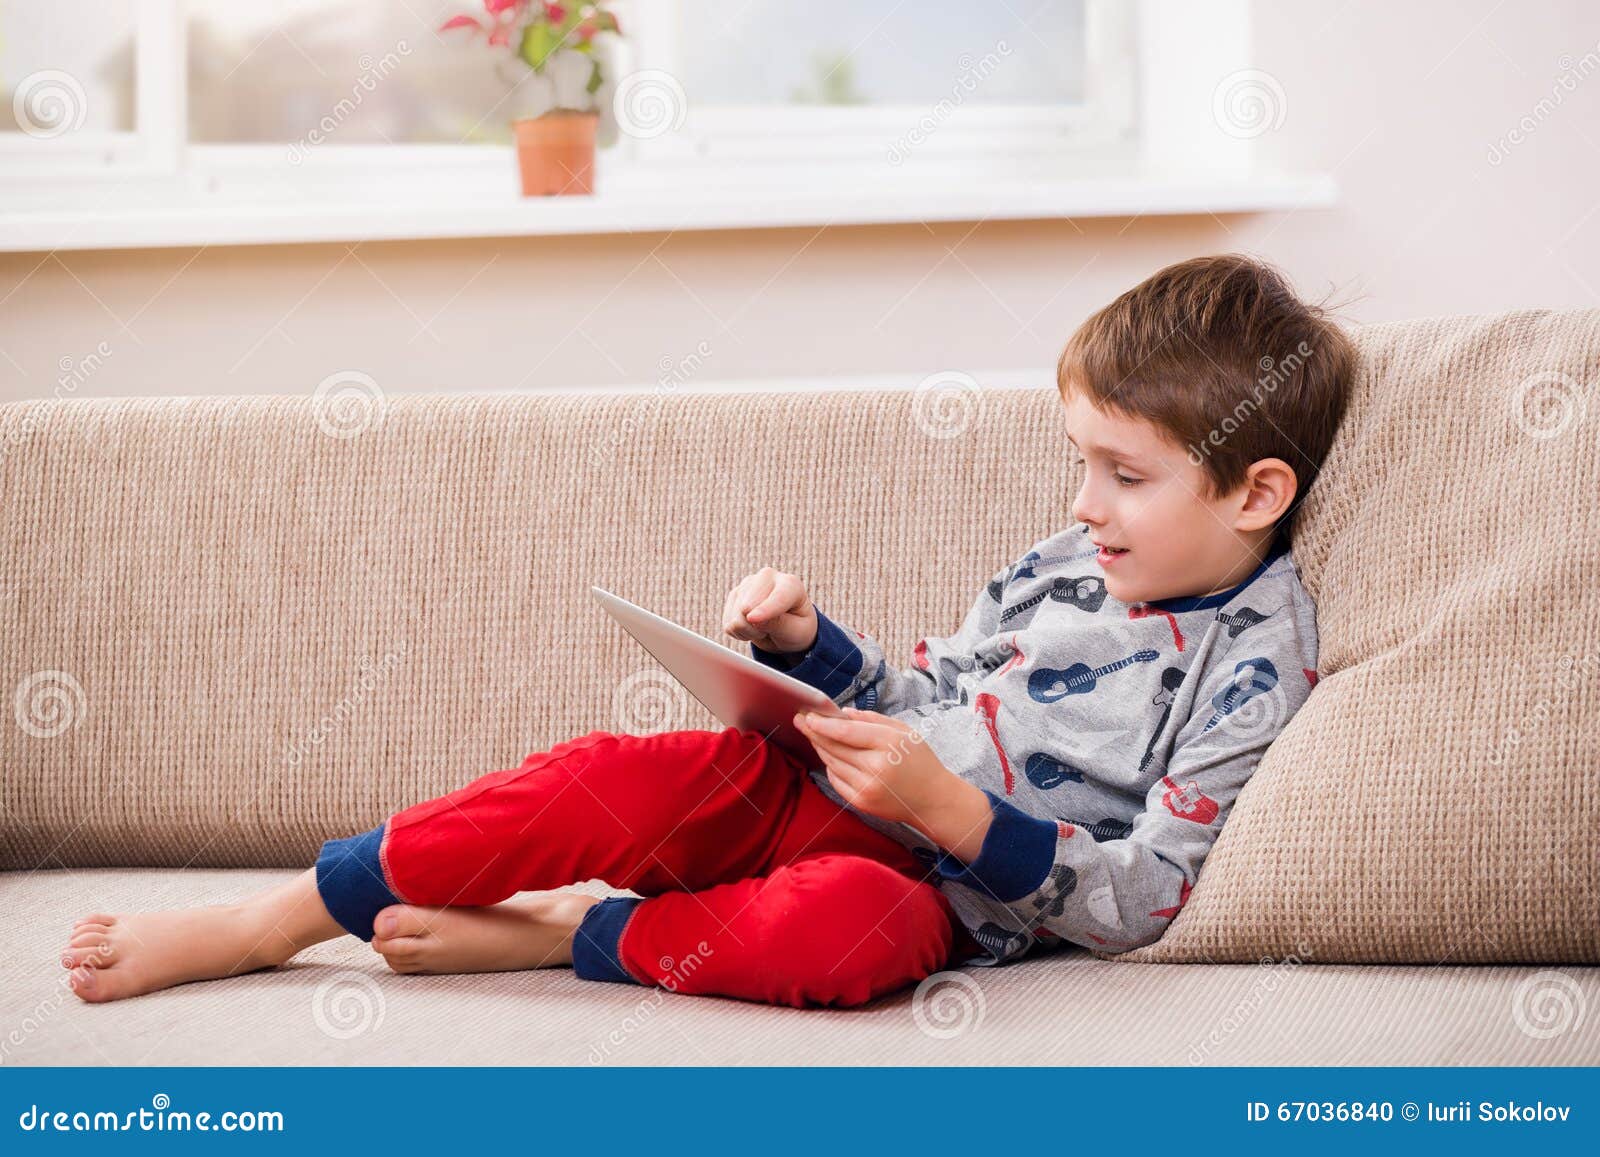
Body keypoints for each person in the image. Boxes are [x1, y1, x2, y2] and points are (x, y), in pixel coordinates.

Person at [61, 253, 1354, 1008]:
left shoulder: (1257, 654)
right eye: (1080, 463)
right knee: (598, 777)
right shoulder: (1072, 558)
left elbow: (1151, 896)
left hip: (937, 888)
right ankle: (280, 914)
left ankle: (570, 935)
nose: (1085, 505)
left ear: (1256, 492)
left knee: (843, 936)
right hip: (820, 779)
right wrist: (811, 650)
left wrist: (953, 818)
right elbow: (933, 693)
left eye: (1125, 475)